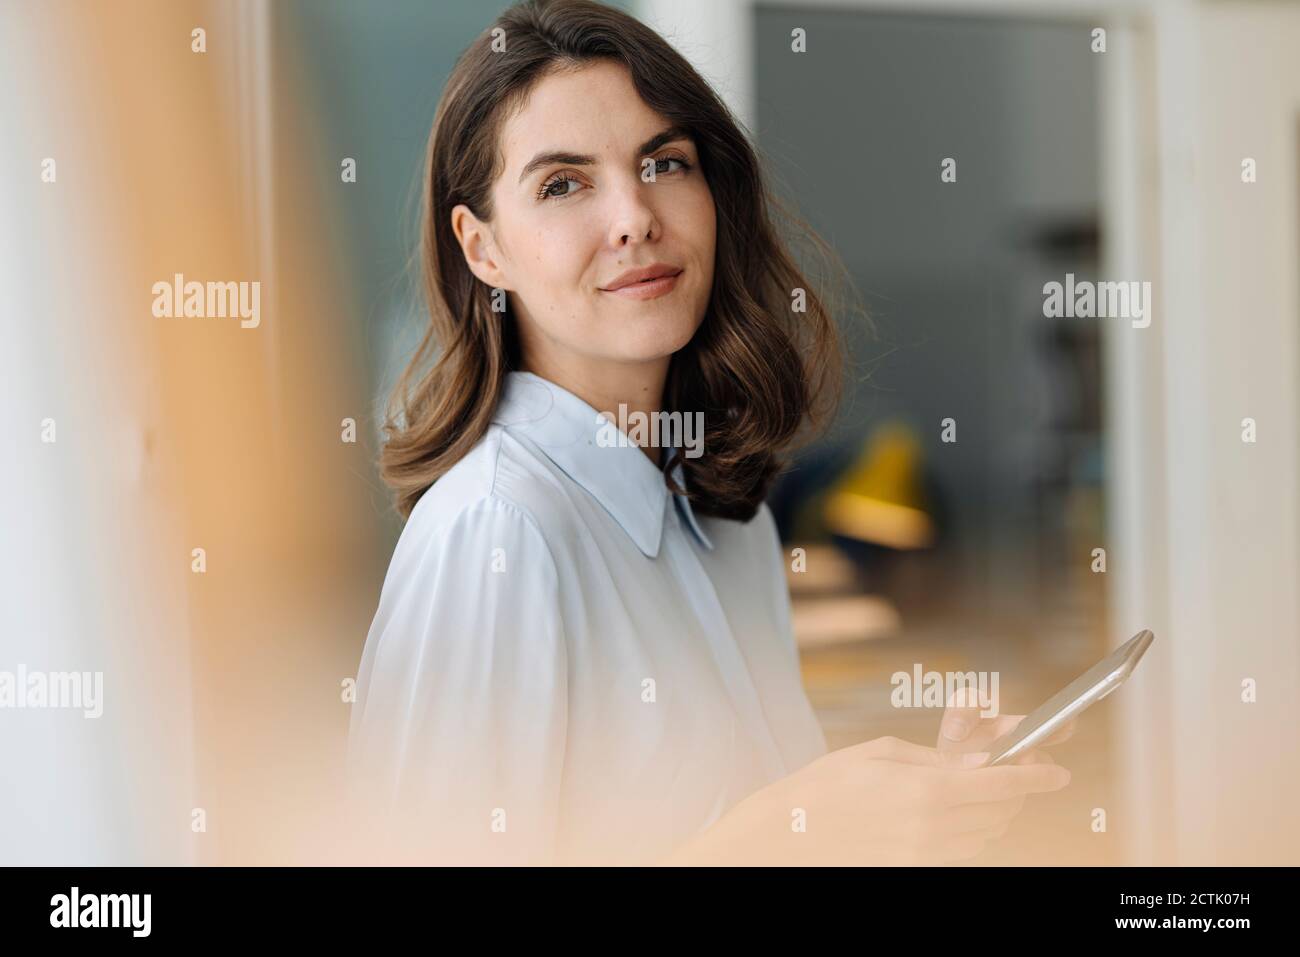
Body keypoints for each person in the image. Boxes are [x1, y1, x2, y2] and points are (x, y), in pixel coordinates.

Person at [345, 0, 1072, 866]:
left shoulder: (727, 519)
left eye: (664, 162)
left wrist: (917, 813)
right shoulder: (496, 531)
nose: (634, 218)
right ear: (482, 248)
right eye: (563, 183)